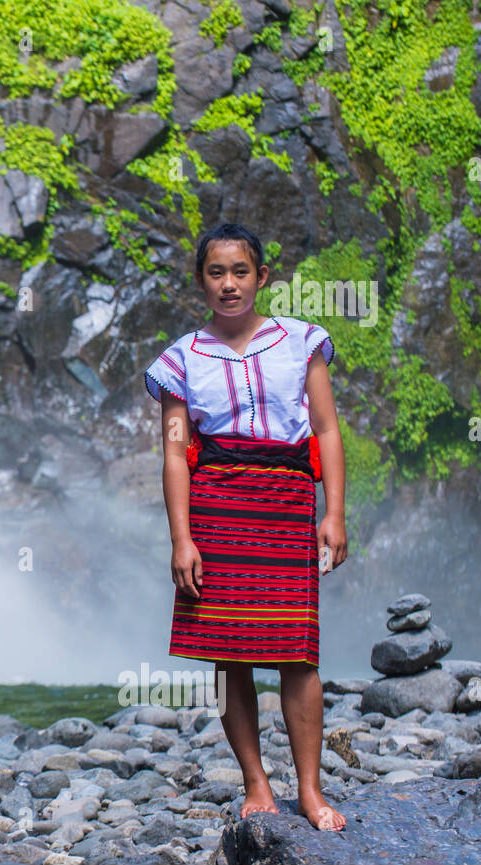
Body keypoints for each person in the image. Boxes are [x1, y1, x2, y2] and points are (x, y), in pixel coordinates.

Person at [143, 222, 349, 832]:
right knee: (229, 654)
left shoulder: (301, 343)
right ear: (200, 280)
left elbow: (327, 431)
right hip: (216, 508)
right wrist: (182, 538)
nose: (228, 284)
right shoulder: (181, 361)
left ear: (262, 277)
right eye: (215, 272)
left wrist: (333, 511)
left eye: (240, 272)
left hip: (286, 503)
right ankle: (257, 782)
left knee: (298, 654)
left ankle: (310, 791)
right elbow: (176, 450)